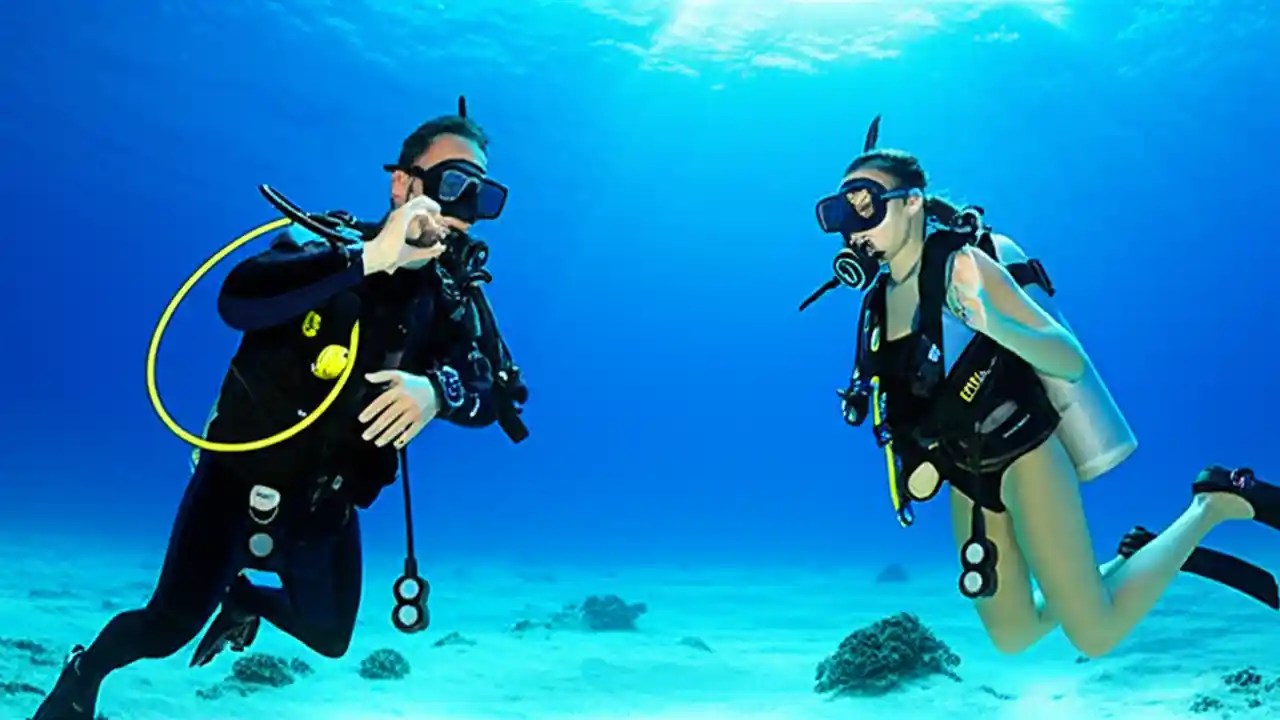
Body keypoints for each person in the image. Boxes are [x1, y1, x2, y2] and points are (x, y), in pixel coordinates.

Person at [31, 104, 529, 720]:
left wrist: (438, 392)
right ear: (403, 183)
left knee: (330, 636)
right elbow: (237, 299)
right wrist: (369, 259)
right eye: (454, 183)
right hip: (233, 484)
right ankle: (83, 675)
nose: (463, 208)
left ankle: (241, 598)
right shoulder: (323, 243)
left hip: (325, 503)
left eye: (483, 197)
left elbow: (503, 398)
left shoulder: (451, 304)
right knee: (164, 628)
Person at [802, 116, 1278, 659]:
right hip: (964, 474)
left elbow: (1067, 359)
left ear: (913, 203)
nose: (854, 229)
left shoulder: (963, 268)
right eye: (841, 216)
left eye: (866, 206)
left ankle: (1211, 505)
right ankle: (1132, 560)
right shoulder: (876, 304)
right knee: (1013, 635)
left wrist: (995, 323)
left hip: (1023, 453)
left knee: (1093, 634)